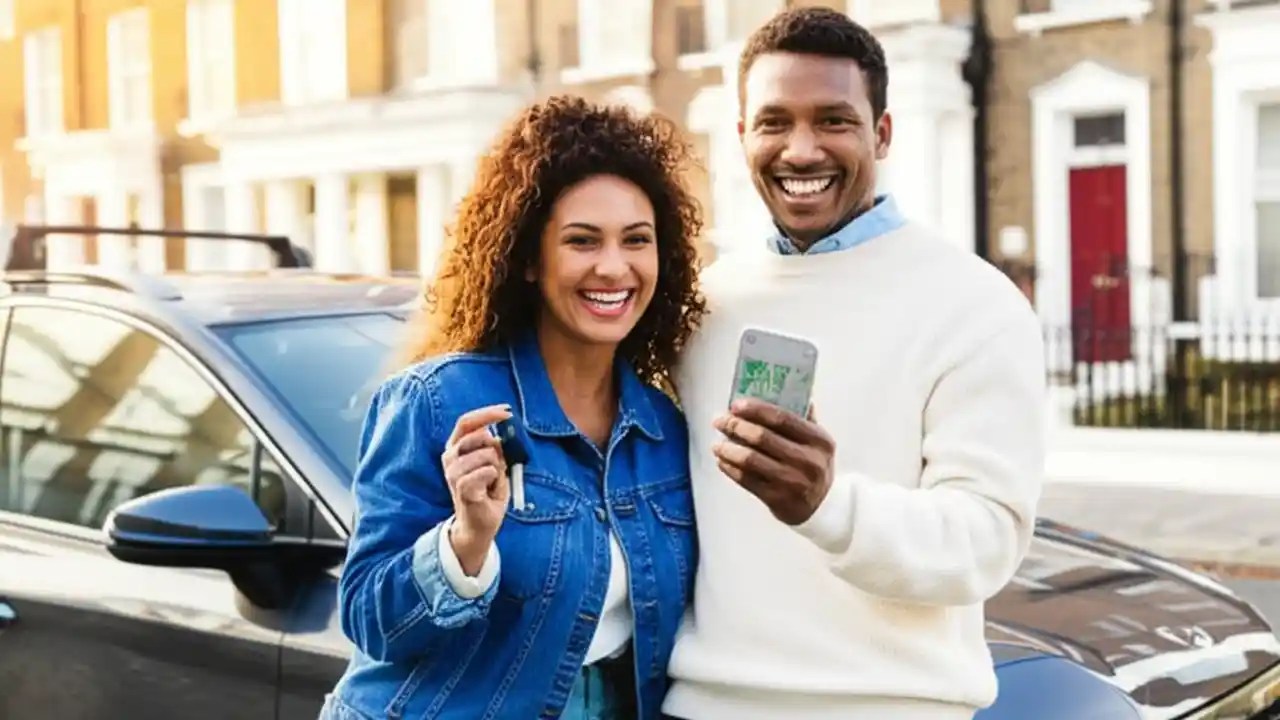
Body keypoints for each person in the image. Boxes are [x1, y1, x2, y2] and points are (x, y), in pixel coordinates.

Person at [663, 8, 1046, 720]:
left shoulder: (974, 303)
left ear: (883, 132)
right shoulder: (702, 304)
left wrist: (828, 507)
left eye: (834, 120)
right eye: (774, 122)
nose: (801, 150)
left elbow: (985, 542)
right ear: (742, 135)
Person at [321, 95, 707, 720]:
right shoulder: (440, 402)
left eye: (637, 241)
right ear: (529, 259)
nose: (614, 267)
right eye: (582, 241)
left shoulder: (664, 430)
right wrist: (467, 538)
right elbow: (370, 620)